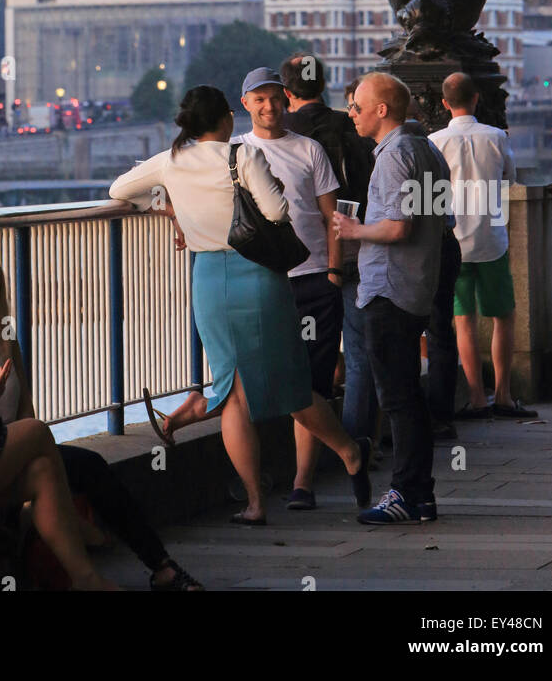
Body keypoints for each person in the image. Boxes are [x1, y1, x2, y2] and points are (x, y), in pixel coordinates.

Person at [110, 85, 371, 525]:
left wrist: (173, 209)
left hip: (209, 277)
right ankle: (348, 451)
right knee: (290, 379)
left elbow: (120, 189)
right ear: (229, 118)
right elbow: (274, 214)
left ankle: (253, 502)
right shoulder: (242, 156)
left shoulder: (169, 161)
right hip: (260, 273)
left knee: (231, 389)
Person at [0, 246, 203, 590]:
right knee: (39, 434)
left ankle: (160, 566)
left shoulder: (5, 340)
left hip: (14, 454)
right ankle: (75, 531)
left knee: (88, 464)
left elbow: (25, 409)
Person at [334, 72, 452, 525]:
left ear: (381, 110)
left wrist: (354, 230)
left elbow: (399, 227)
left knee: (398, 398)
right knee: (409, 396)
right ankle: (421, 496)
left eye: (358, 106)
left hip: (388, 289)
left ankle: (404, 493)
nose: (352, 113)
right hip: (418, 285)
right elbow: (439, 220)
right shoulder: (429, 151)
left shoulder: (394, 156)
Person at [235, 66, 350, 509]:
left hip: (313, 278)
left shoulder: (309, 149)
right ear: (245, 104)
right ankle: (257, 483)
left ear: (286, 100)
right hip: (260, 280)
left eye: (274, 98)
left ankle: (302, 483)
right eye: (258, 99)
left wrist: (334, 271)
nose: (268, 107)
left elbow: (330, 216)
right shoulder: (234, 153)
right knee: (253, 382)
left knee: (310, 384)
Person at [280, 57, 377, 448]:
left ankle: (304, 460)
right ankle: (356, 442)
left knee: (296, 360)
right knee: (357, 353)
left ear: (286, 93)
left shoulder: (276, 133)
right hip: (352, 247)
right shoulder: (347, 126)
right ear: (324, 85)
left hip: (296, 263)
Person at [428, 73, 536, 419]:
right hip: (491, 238)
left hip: (454, 240)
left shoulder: (434, 141)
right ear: (476, 98)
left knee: (464, 321)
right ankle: (503, 395)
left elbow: (431, 193)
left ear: (445, 103)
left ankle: (475, 397)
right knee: (503, 316)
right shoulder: (496, 137)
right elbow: (509, 178)